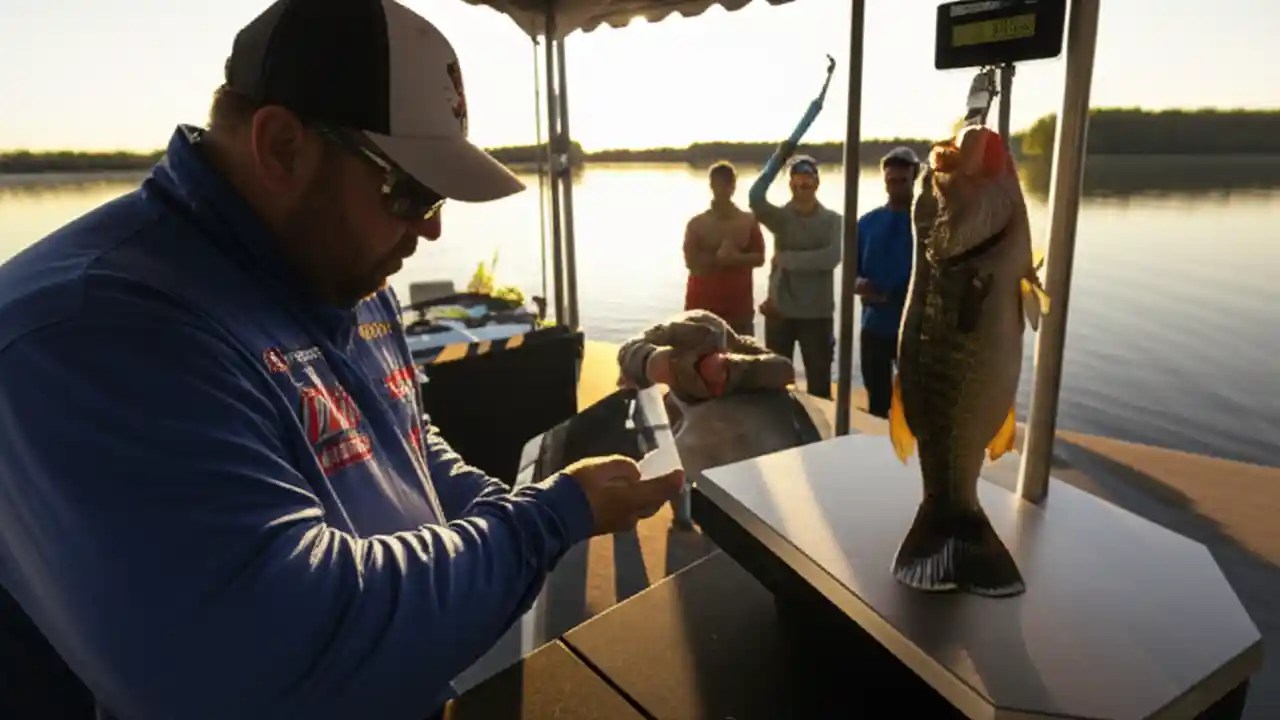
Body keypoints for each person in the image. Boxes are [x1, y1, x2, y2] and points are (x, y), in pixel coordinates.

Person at [0, 2, 684, 719]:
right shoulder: (91, 333)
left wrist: (505, 508)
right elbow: (284, 651)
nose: (431, 227)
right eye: (410, 191)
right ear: (282, 148)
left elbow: (404, 448)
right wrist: (546, 521)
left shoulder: (340, 269)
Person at [616, 309, 795, 528]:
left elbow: (783, 368)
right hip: (690, 431)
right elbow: (630, 350)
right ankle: (682, 515)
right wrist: (650, 361)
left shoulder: (734, 362)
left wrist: (731, 368)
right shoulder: (674, 348)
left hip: (751, 472)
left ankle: (685, 514)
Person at [749, 154, 843, 399]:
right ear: (790, 183)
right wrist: (780, 157)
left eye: (808, 177)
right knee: (775, 387)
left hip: (817, 315)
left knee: (820, 387)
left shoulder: (834, 221)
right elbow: (755, 197)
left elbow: (831, 258)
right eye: (798, 178)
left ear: (817, 182)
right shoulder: (780, 218)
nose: (804, 182)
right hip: (780, 312)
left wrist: (787, 259)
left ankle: (819, 425)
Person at [855, 147, 920, 418]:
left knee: (917, 404)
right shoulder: (867, 223)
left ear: (914, 178)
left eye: (902, 181)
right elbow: (852, 273)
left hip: (916, 329)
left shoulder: (927, 223)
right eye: (891, 181)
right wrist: (860, 284)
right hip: (875, 326)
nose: (896, 187)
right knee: (878, 403)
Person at [682, 161, 766, 336]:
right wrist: (718, 258)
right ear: (711, 186)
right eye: (718, 184)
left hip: (739, 310)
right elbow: (691, 263)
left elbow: (760, 258)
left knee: (742, 353)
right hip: (702, 310)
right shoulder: (697, 224)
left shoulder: (748, 221)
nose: (722, 190)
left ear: (733, 186)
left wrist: (736, 258)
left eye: (727, 184)